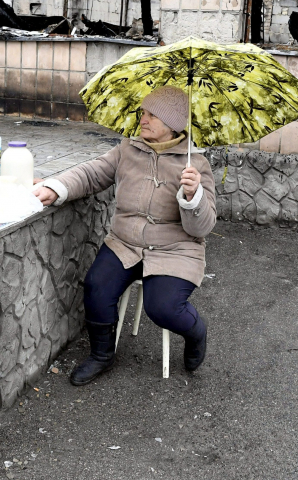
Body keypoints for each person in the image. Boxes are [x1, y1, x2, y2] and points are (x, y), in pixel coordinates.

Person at [33, 85, 217, 385]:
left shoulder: (195, 165)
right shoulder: (128, 149)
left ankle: (196, 330)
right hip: (125, 243)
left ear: (172, 123)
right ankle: (102, 355)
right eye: (142, 113)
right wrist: (56, 186)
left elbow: (202, 228)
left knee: (164, 308)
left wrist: (193, 196)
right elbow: (92, 173)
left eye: (151, 115)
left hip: (176, 250)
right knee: (97, 287)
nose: (142, 119)